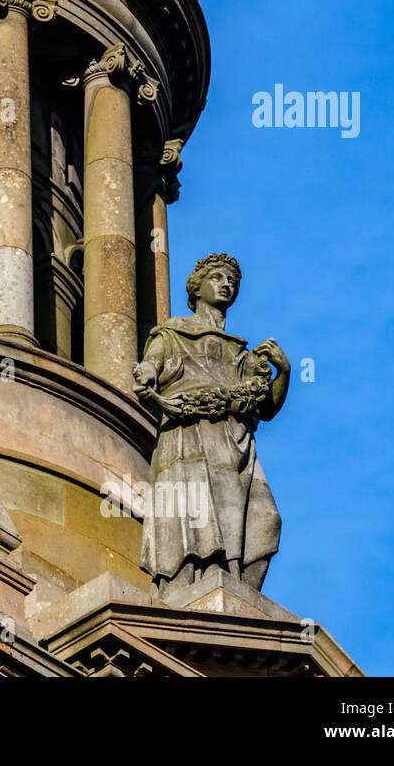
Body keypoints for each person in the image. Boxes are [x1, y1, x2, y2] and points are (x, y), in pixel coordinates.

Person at [132, 253, 290, 597]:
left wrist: (285, 371)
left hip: (236, 441)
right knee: (196, 517)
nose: (227, 284)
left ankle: (237, 588)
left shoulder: (243, 354)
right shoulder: (173, 333)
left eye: (232, 280)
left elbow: (267, 408)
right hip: (190, 433)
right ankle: (193, 587)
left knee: (265, 518)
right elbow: (151, 366)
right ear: (196, 287)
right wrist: (146, 373)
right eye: (217, 277)